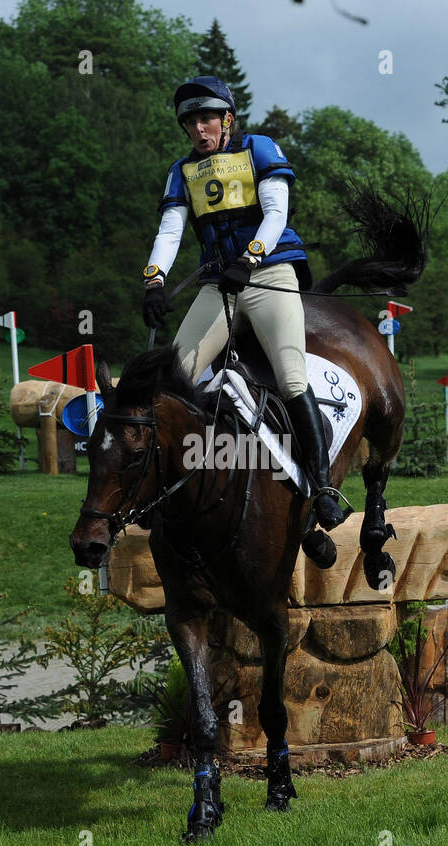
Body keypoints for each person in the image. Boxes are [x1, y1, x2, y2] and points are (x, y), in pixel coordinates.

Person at [142, 75, 344, 534]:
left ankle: (322, 487)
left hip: (270, 275)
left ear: (227, 120)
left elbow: (276, 214)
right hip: (219, 285)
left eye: (206, 118)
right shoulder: (182, 171)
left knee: (291, 376)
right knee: (173, 380)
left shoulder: (259, 149)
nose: (198, 128)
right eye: (191, 122)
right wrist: (154, 282)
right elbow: (169, 233)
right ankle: (166, 488)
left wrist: (251, 257)